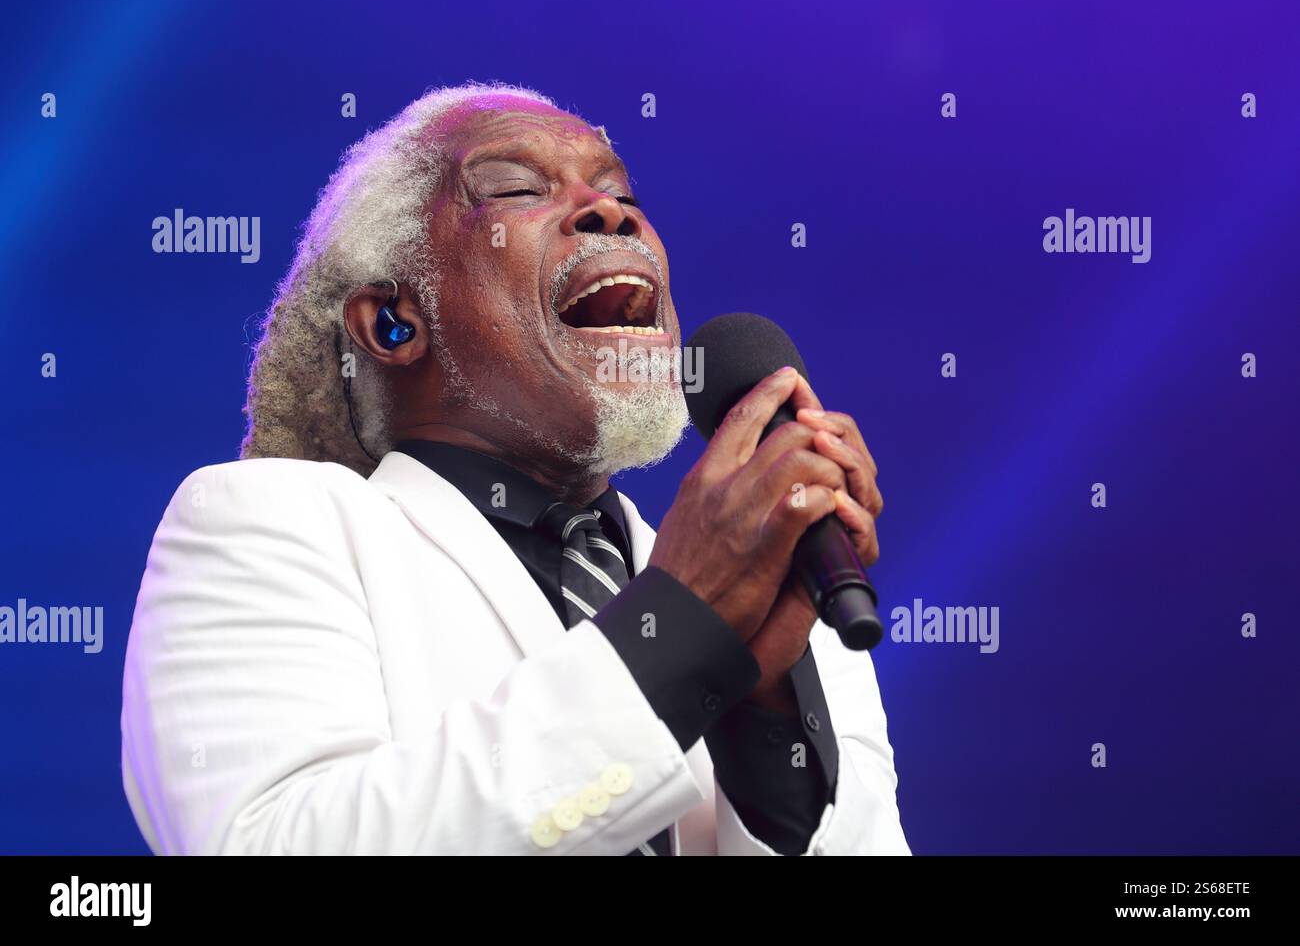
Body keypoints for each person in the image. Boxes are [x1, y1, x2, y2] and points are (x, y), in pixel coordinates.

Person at [121, 82, 909, 855]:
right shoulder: (266, 521)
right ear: (394, 323)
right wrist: (674, 633)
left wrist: (766, 732)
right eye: (513, 188)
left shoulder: (774, 588)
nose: (611, 212)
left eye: (619, 190)